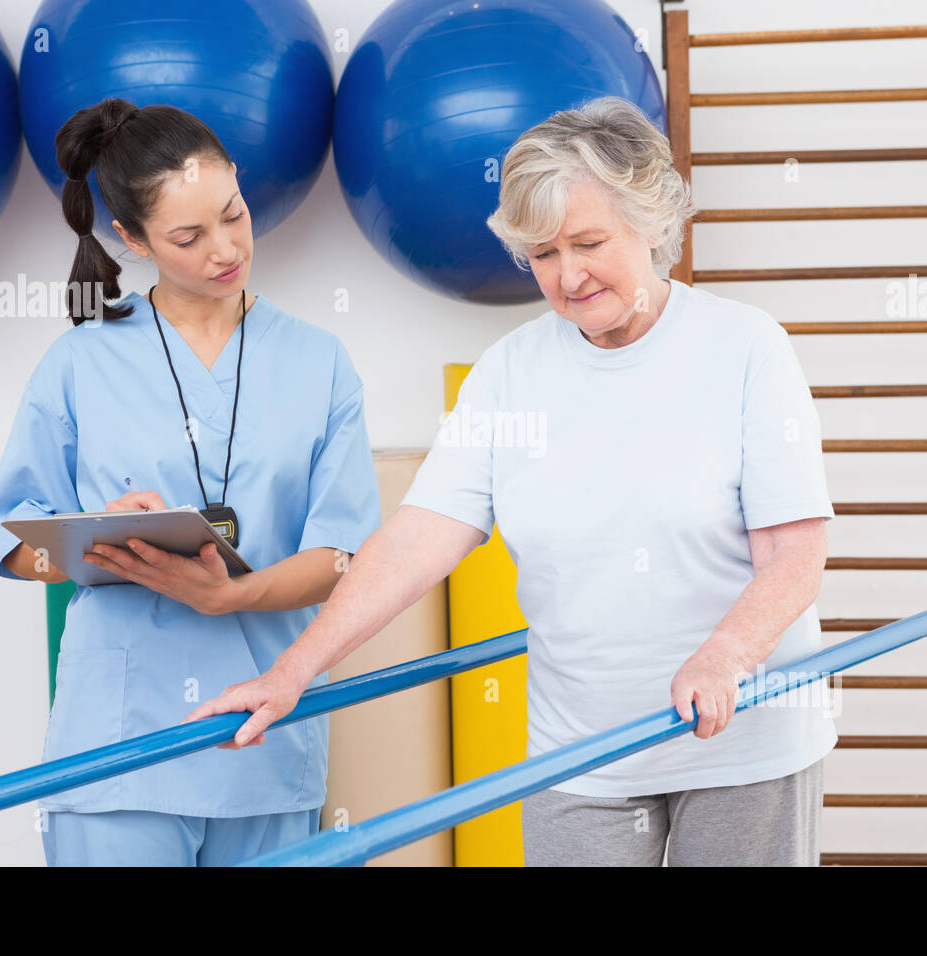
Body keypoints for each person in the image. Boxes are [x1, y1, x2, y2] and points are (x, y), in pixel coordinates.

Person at [185, 96, 835, 866]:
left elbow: (794, 555)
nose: (567, 274)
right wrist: (293, 671)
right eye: (543, 253)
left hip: (743, 745)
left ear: (652, 222)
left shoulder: (744, 348)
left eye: (588, 242)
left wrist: (723, 657)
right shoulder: (508, 375)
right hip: (579, 752)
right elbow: (415, 541)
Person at [0, 99, 381, 866]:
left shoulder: (320, 362)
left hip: (265, 751)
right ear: (132, 239)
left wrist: (237, 593)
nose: (226, 249)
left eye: (233, 214)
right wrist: (95, 540)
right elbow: (10, 544)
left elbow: (344, 557)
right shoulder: (81, 362)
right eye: (189, 237)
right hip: (117, 756)